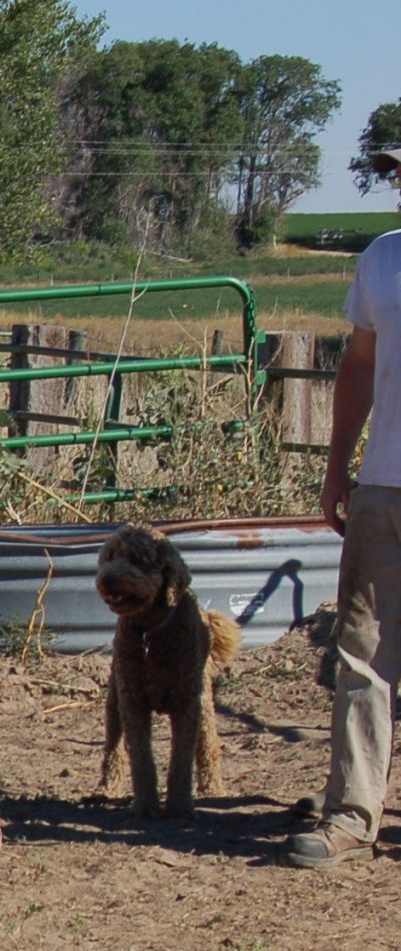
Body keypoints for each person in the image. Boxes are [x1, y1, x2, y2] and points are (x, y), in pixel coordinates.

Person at [290, 141, 401, 867]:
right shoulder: (383, 259)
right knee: (362, 651)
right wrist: (339, 468)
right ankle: (353, 815)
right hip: (384, 483)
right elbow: (359, 366)